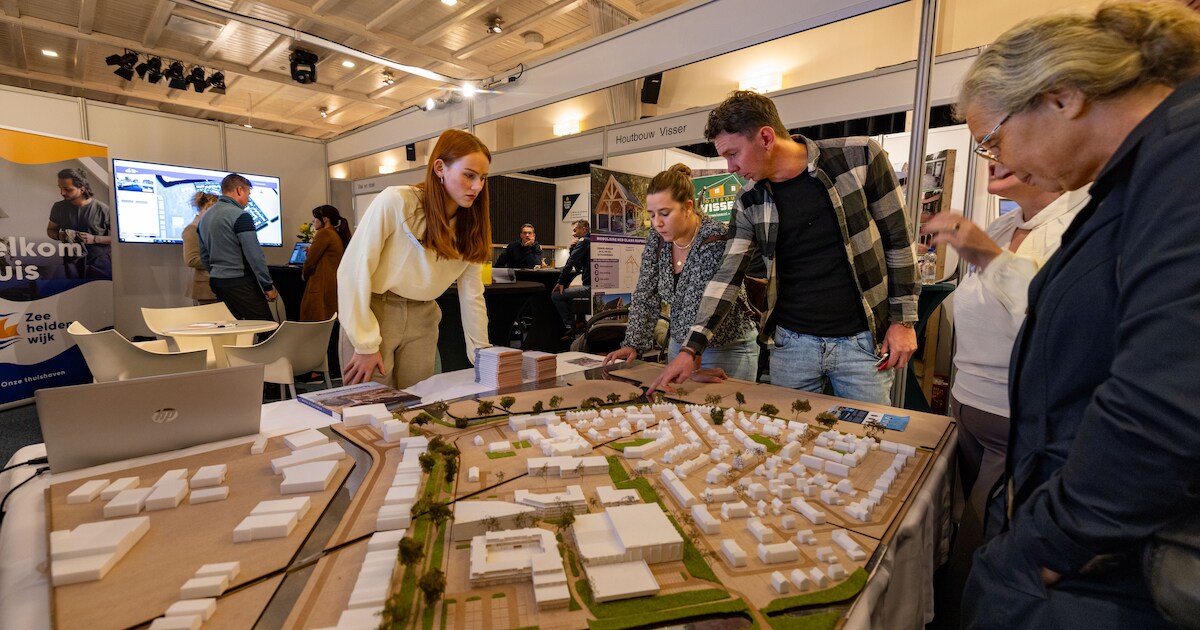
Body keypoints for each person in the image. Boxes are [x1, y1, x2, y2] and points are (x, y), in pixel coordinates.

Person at [952, 3, 1200, 628]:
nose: (997, 159)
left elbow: (1166, 397)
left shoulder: (1182, 155)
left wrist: (1048, 545)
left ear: (1062, 97)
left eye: (992, 139)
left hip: (1108, 557)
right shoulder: (1140, 170)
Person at [649, 90, 920, 404]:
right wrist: (691, 348)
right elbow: (727, 276)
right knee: (785, 431)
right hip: (792, 346)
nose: (731, 167)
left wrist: (903, 321)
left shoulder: (859, 157)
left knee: (866, 430)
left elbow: (899, 240)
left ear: (766, 137)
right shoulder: (749, 199)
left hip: (860, 343)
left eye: (733, 153)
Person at [923, 163, 1090, 597]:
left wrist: (990, 259)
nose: (992, 158)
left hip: (1015, 417)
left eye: (999, 140)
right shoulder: (1002, 225)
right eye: (986, 147)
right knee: (961, 521)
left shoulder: (1080, 223)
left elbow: (1057, 321)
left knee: (982, 538)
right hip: (969, 407)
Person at [338, 129, 492, 389]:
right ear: (440, 168)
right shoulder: (397, 201)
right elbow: (354, 270)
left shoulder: (472, 225)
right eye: (469, 175)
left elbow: (472, 295)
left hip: (424, 317)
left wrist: (482, 355)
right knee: (369, 406)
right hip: (375, 312)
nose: (477, 186)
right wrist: (365, 343)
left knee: (419, 405)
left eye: (483, 178)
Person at [603, 164, 759, 381]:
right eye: (652, 214)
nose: (657, 223)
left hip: (727, 347)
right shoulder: (658, 238)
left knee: (723, 402)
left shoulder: (714, 237)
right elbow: (645, 293)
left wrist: (693, 365)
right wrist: (633, 344)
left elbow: (698, 304)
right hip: (681, 345)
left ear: (688, 207)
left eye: (665, 213)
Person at [197, 173, 278, 321]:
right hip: (240, 282)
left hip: (217, 282)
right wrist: (267, 286)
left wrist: (217, 272)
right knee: (266, 327)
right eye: (248, 194)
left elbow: (204, 255)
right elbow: (254, 255)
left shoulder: (205, 218)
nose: (248, 200)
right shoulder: (240, 215)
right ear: (239, 190)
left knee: (233, 328)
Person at [47, 168, 111, 279]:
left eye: (67, 189)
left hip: (99, 265)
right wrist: (58, 236)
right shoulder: (58, 207)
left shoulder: (104, 209)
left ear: (82, 189)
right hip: (71, 265)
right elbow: (50, 230)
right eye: (60, 188)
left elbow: (117, 239)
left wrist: (94, 239)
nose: (62, 193)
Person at [300, 204, 349, 322]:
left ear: (325, 219)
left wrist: (304, 275)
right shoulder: (335, 234)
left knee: (314, 324)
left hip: (320, 287)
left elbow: (310, 262)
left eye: (315, 217)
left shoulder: (324, 233)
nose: (313, 221)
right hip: (331, 286)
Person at [551, 219, 591, 334]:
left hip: (589, 288)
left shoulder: (584, 241)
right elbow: (578, 268)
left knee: (556, 295)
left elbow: (570, 262)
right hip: (598, 287)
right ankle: (579, 322)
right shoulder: (593, 240)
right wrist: (573, 248)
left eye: (575, 230)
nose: (573, 234)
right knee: (571, 294)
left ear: (583, 229)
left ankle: (570, 326)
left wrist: (561, 282)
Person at [182, 192, 219, 305]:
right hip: (205, 289)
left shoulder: (211, 227)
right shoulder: (192, 229)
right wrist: (222, 262)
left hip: (217, 286)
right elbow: (192, 260)